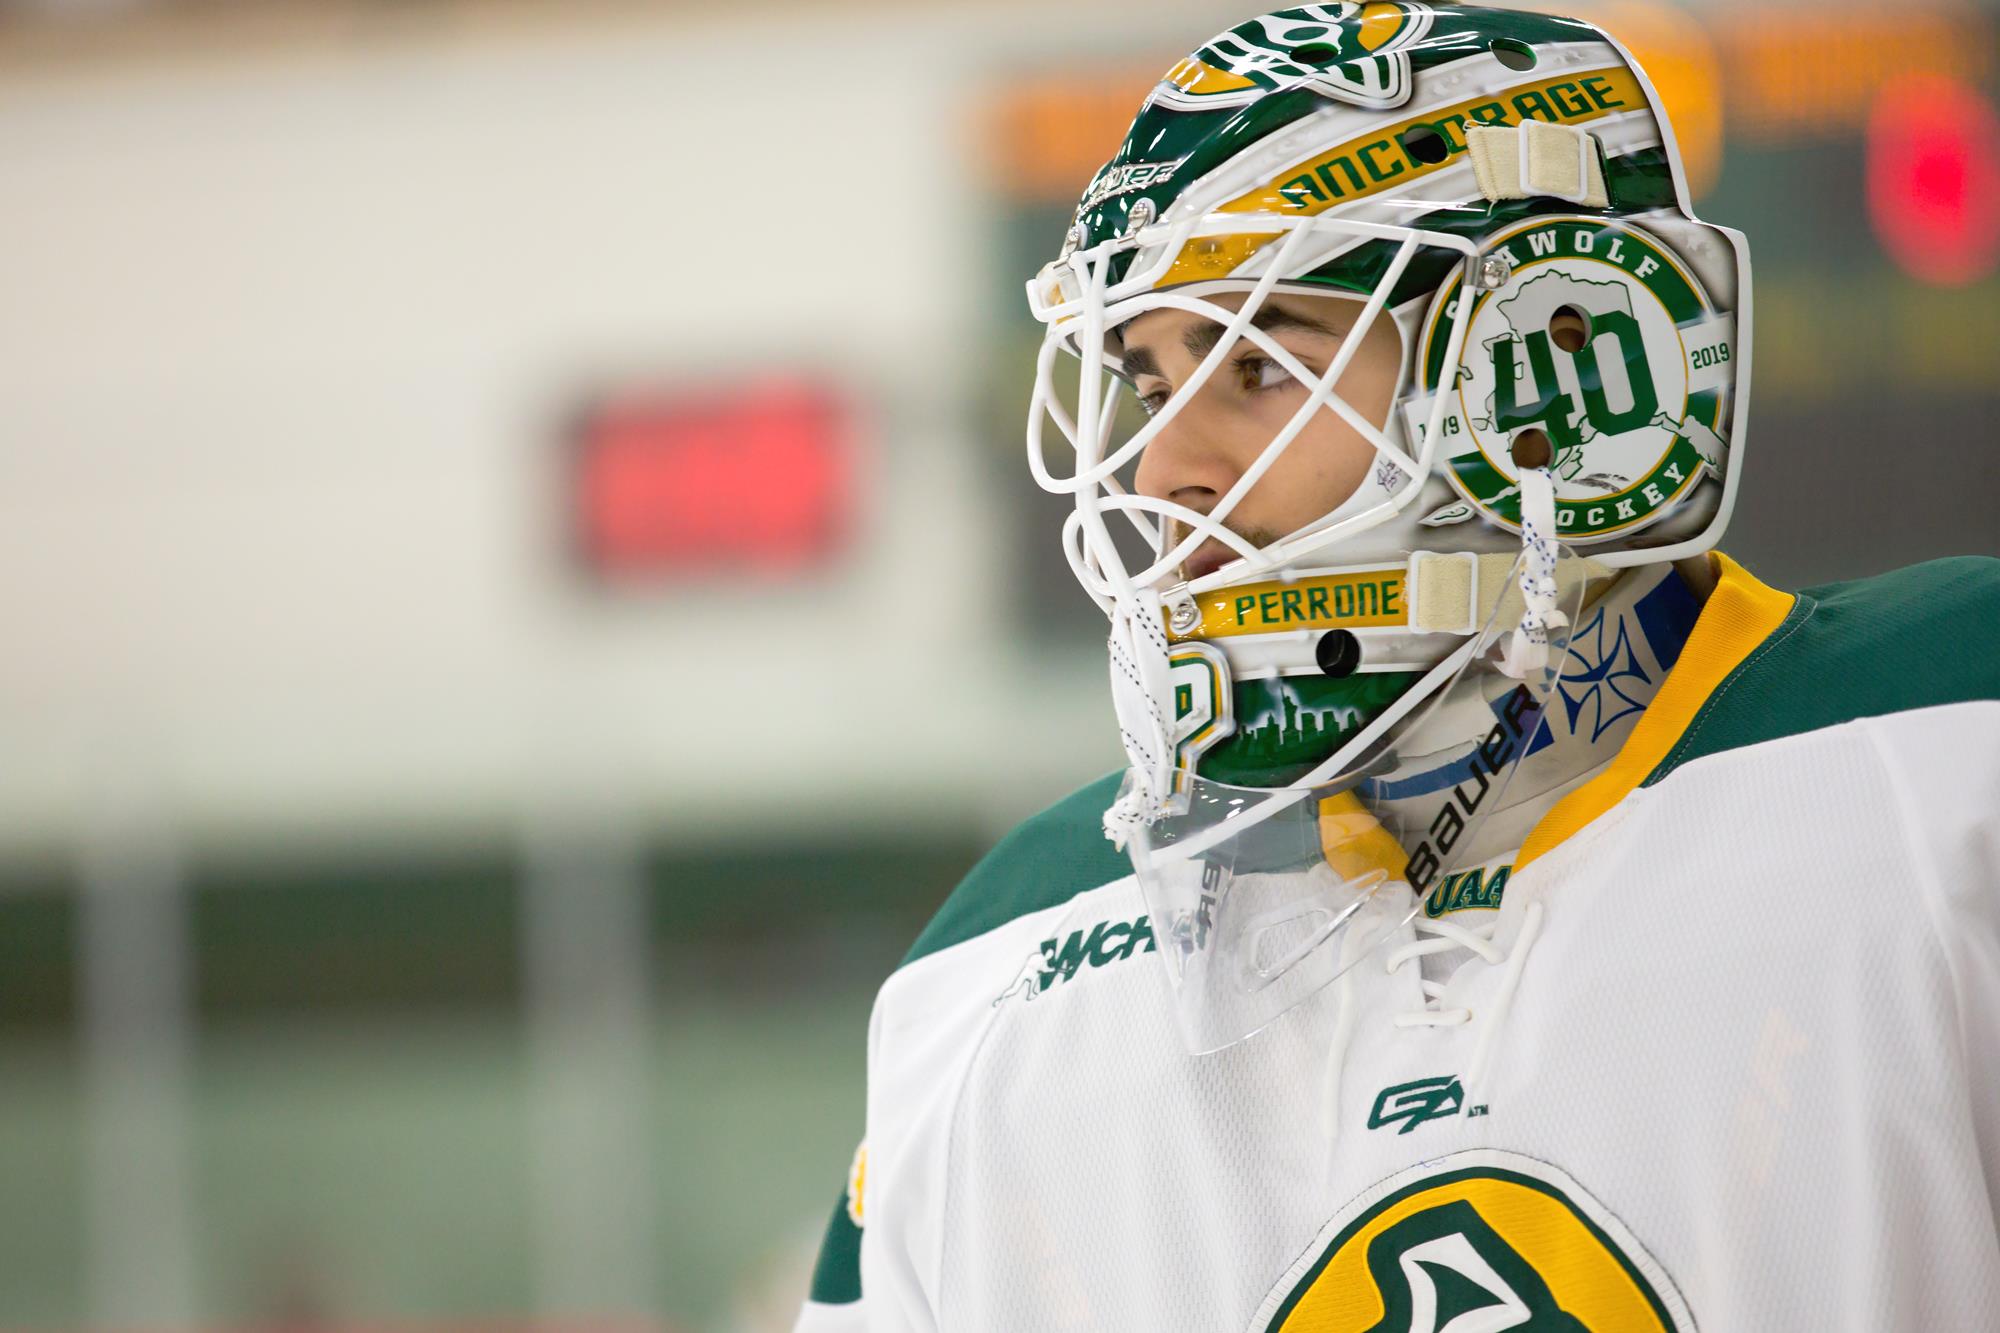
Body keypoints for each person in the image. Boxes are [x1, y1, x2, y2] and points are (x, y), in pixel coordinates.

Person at [795, 5, 2000, 1329]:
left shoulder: (1954, 740)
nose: (1164, 468)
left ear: (1545, 367)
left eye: (1260, 366)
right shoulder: (993, 975)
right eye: (1150, 386)